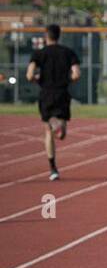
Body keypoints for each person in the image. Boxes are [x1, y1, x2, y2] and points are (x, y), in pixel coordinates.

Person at [25, 24, 81, 180]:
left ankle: (53, 169)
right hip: (62, 93)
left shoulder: (39, 54)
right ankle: (59, 125)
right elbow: (76, 74)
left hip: (46, 93)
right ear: (59, 35)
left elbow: (29, 75)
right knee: (61, 134)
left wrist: (38, 79)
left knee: (47, 131)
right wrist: (67, 79)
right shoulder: (68, 53)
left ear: (46, 36)